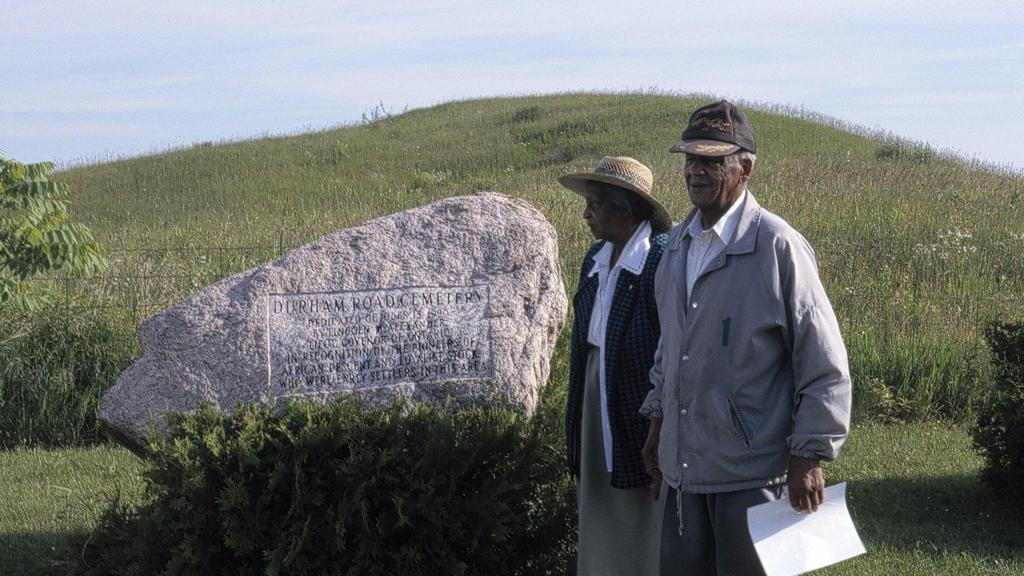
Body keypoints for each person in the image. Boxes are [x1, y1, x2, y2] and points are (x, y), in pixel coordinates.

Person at [640, 101, 852, 576]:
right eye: (690, 159)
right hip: (682, 473)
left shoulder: (777, 246)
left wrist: (809, 454)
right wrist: (657, 427)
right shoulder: (676, 245)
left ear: (746, 168)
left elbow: (824, 364)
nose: (695, 170)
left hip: (751, 475)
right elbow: (669, 348)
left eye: (712, 160)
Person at [561, 156, 674, 576]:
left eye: (595, 203)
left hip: (636, 397)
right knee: (597, 491)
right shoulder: (596, 256)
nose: (586, 213)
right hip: (595, 391)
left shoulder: (659, 257)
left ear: (624, 207)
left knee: (641, 500)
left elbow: (669, 337)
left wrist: (656, 413)